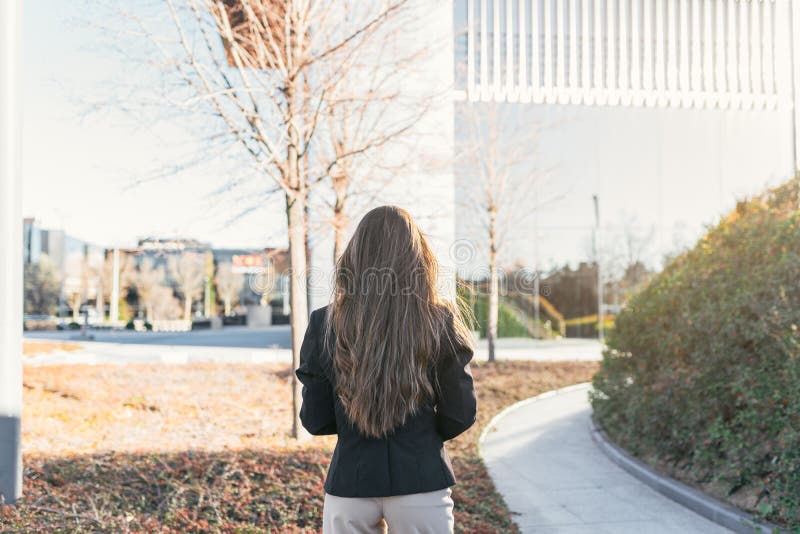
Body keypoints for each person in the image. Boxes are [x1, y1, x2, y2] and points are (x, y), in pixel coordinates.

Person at [296, 205, 477, 534]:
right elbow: (460, 413)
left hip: (350, 485)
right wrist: (419, 436)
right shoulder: (440, 320)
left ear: (355, 257)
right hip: (422, 481)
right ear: (417, 258)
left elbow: (316, 420)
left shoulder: (324, 322)